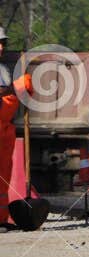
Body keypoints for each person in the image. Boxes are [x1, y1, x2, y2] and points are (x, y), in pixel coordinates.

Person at [0, 27, 40, 230]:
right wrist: (16, 88)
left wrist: (19, 89)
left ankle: (1, 219)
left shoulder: (3, 70)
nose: (0, 47)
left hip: (4, 133)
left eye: (3, 43)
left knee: (2, 179)